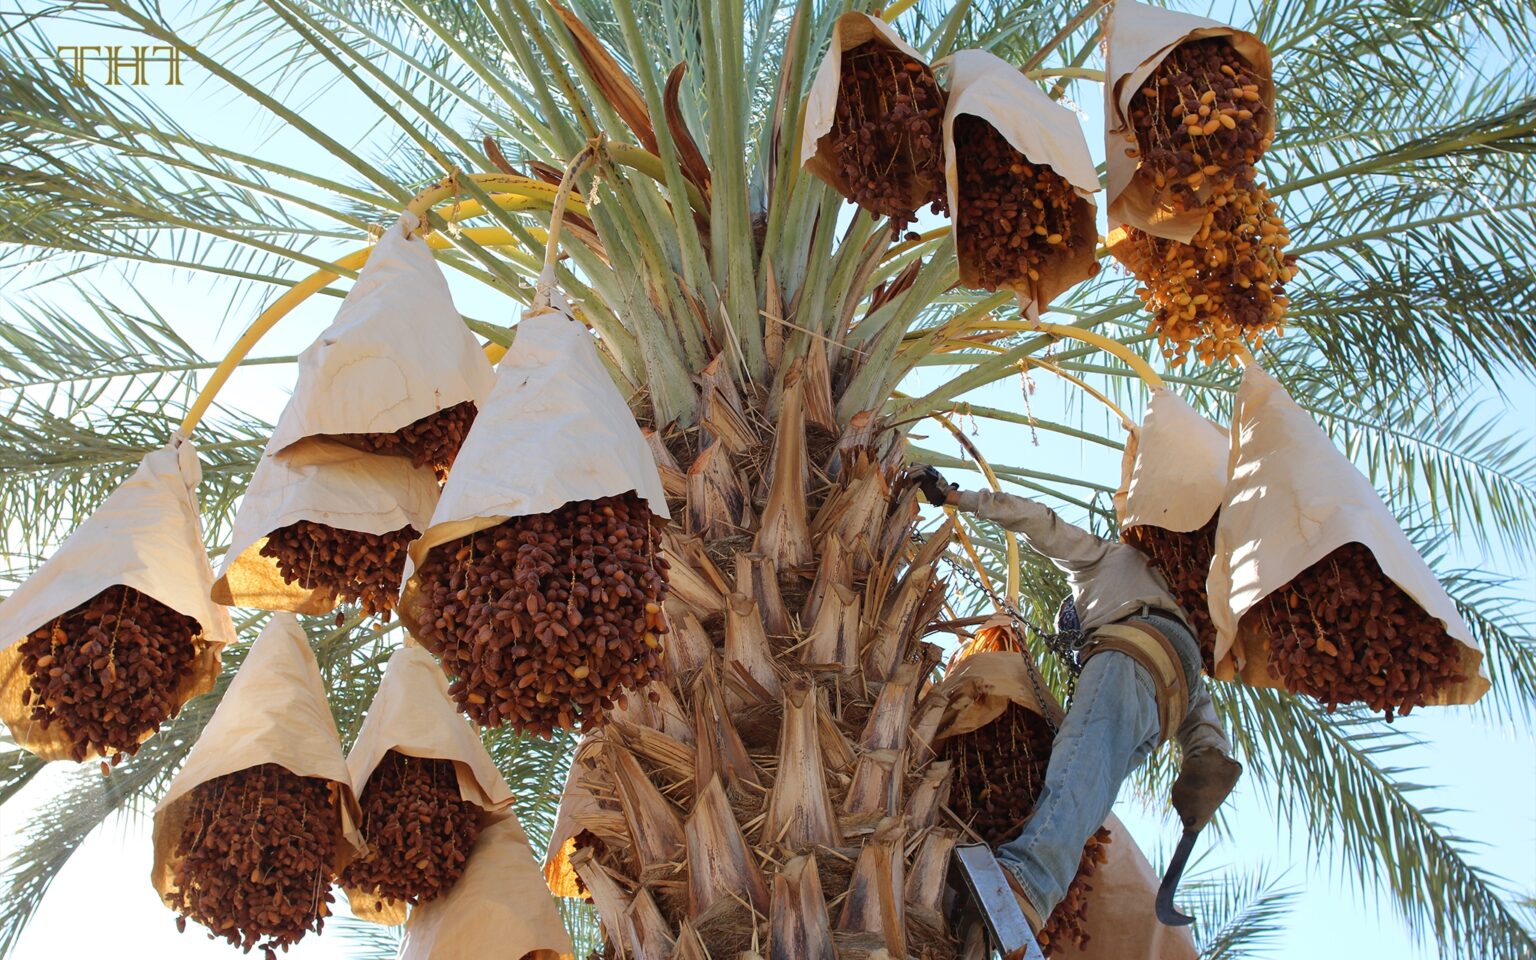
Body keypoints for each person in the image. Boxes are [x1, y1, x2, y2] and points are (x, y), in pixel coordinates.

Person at [913, 467, 1242, 933]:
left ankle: (1031, 879)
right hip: (1169, 694)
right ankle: (1027, 888)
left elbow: (1039, 521)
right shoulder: (1180, 605)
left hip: (1135, 648)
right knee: (1089, 790)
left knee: (1079, 758)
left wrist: (957, 498)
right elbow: (1201, 721)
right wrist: (1207, 764)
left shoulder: (1105, 560)